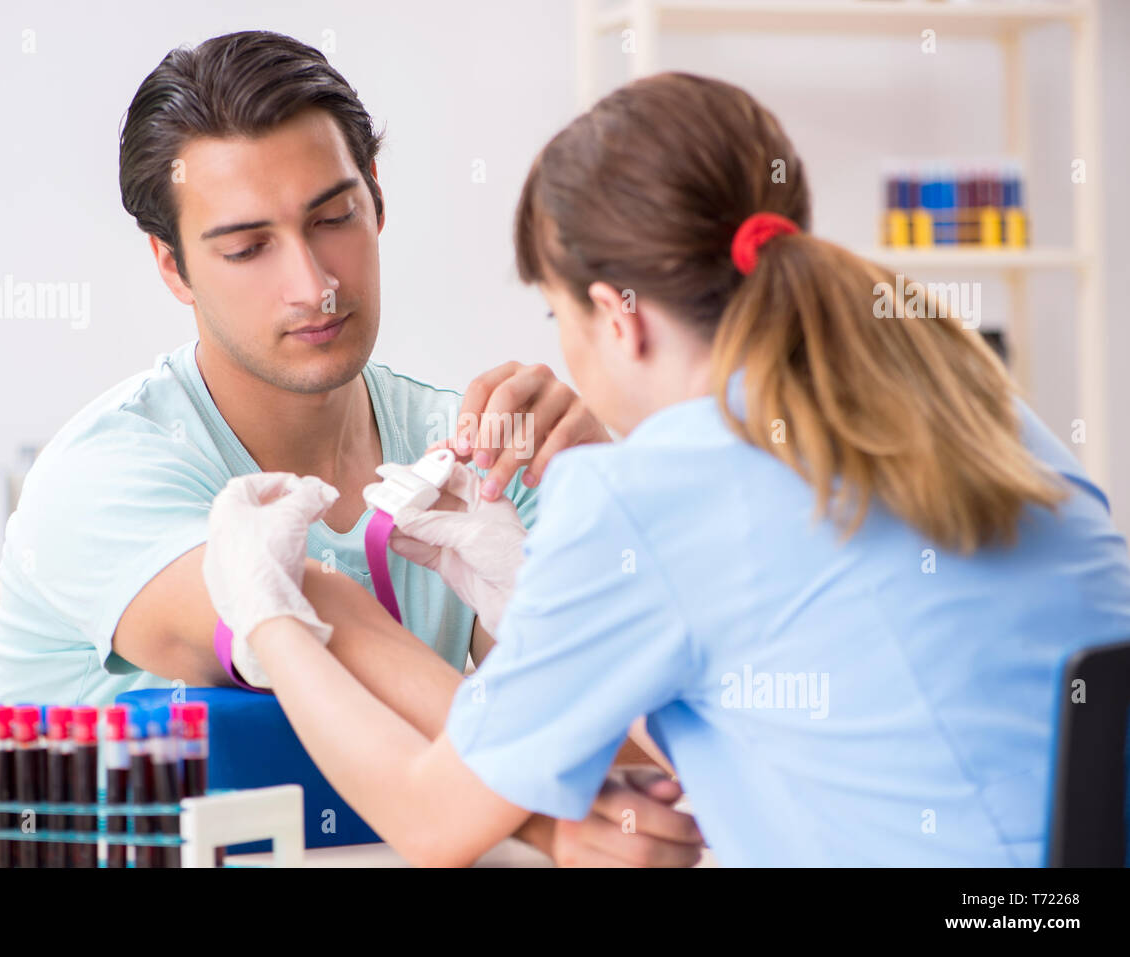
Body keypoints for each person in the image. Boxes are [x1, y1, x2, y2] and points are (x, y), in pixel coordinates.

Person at [201, 71, 1130, 866]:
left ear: (620, 313)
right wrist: (527, 593)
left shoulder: (651, 490)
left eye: (556, 316)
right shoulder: (975, 404)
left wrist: (270, 611)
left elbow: (432, 817)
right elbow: (788, 700)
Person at [0, 31, 699, 866]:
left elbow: (644, 780)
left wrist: (602, 507)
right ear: (172, 267)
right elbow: (297, 606)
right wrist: (547, 813)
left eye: (333, 218)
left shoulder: (475, 454)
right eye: (248, 247)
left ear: (378, 203)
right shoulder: (102, 472)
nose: (314, 282)